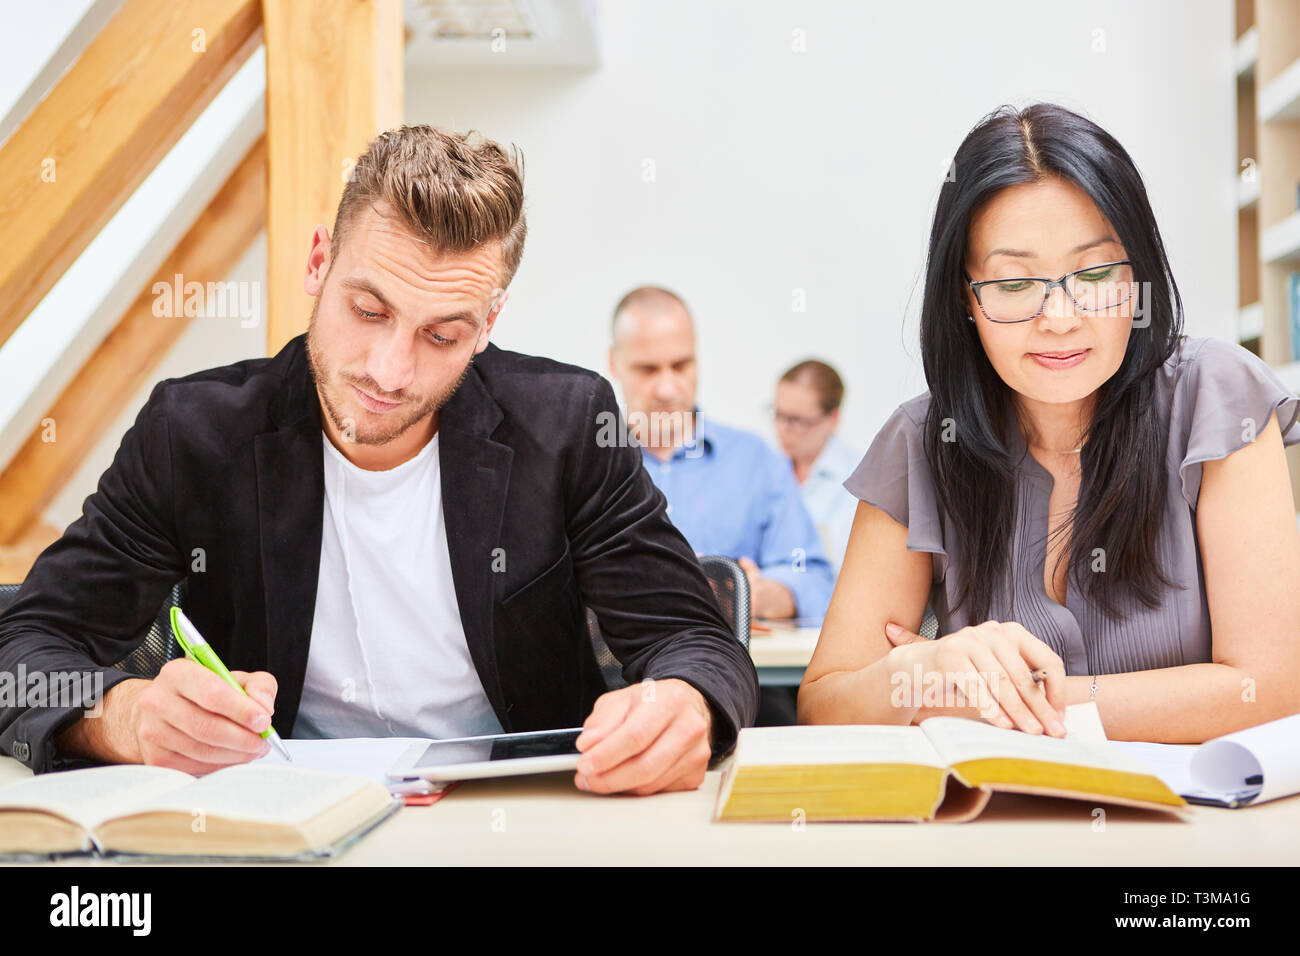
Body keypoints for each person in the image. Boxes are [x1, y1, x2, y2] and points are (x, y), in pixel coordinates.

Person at [0, 125, 758, 796]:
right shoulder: (193, 435)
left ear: (488, 322)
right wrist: (116, 716)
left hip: (521, 815)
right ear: (318, 264)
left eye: (443, 335)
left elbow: (693, 637)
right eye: (369, 311)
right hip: (275, 817)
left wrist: (686, 703)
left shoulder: (566, 424)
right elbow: (21, 652)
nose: (391, 372)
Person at [800, 103, 1300, 743]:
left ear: (1138, 274)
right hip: (996, 831)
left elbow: (1271, 689)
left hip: (1193, 831)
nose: (1059, 316)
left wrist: (1011, 698)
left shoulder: (1216, 396)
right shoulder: (922, 443)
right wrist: (922, 665)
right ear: (966, 298)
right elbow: (826, 701)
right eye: (1013, 284)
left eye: (1094, 274)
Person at [607, 286, 835, 622]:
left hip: (737, 669)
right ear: (615, 363)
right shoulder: (587, 463)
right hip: (616, 672)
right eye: (648, 370)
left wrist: (751, 596)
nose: (668, 389)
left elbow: (817, 583)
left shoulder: (756, 461)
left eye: (681, 365)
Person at [773, 360, 860, 573]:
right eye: (779, 415)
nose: (784, 429)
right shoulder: (767, 470)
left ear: (833, 419)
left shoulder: (860, 480)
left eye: (797, 420)